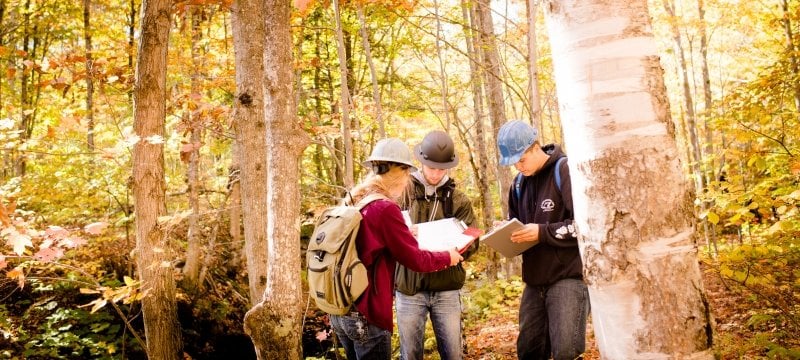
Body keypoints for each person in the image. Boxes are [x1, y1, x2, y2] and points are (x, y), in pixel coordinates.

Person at [328, 137, 464, 360]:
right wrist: (447, 257)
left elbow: (367, 245)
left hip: (341, 310)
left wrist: (401, 236)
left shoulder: (355, 199)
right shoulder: (384, 208)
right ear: (401, 171)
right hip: (367, 312)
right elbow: (415, 260)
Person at [495, 120, 589, 360]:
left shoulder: (565, 170)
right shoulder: (517, 184)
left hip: (567, 277)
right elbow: (518, 225)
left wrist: (541, 232)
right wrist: (506, 232)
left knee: (565, 351)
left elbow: (586, 226)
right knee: (528, 350)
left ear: (535, 147)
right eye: (513, 162)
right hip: (534, 281)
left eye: (522, 159)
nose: (518, 166)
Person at [395, 130, 478, 360]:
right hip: (410, 288)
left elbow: (472, 241)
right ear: (421, 162)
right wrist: (403, 235)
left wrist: (458, 246)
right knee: (410, 355)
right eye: (432, 167)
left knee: (453, 354)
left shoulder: (458, 199)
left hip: (447, 288)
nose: (436, 173)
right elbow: (387, 236)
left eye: (442, 168)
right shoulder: (402, 194)